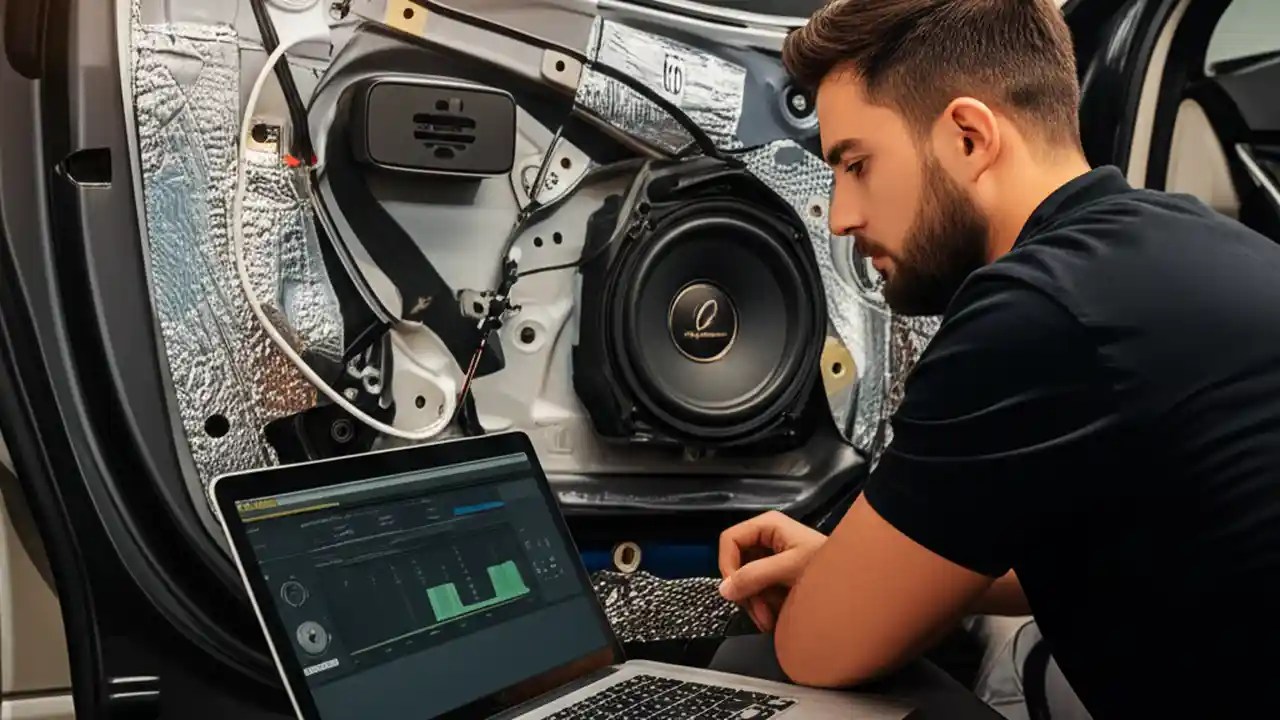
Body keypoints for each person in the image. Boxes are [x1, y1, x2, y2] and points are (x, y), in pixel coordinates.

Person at [715, 1, 1280, 717]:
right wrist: (869, 570)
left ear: (968, 137)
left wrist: (839, 593)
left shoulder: (1033, 312)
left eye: (856, 164)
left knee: (754, 662)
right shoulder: (1182, 239)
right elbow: (1124, 540)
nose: (839, 216)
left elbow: (818, 650)